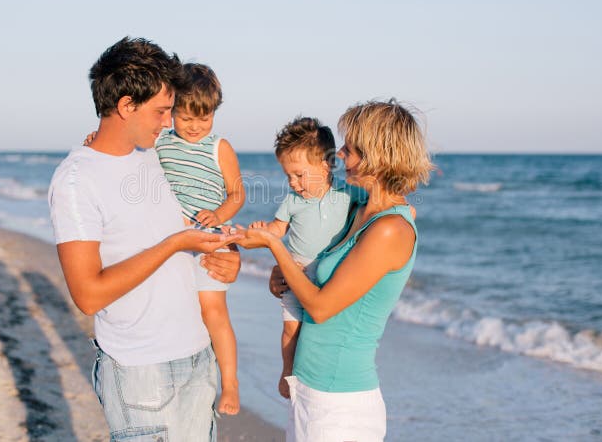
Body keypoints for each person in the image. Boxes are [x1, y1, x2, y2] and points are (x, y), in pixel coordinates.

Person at [48, 37, 241, 441]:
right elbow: (88, 294)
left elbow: (190, 223)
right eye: (161, 111)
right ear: (125, 106)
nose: (169, 123)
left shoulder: (155, 156)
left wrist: (224, 258)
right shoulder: (76, 180)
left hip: (197, 357)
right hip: (141, 372)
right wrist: (176, 244)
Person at [237, 99, 434, 441]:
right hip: (311, 390)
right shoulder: (358, 210)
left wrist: (274, 247)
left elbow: (321, 306)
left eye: (350, 147)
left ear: (376, 155)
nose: (339, 154)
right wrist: (283, 274)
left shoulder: (389, 229)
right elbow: (315, 262)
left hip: (339, 405)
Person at [248, 117, 362, 400]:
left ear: (326, 165)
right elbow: (278, 229)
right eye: (288, 176)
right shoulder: (292, 201)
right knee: (291, 329)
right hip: (294, 272)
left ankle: (316, 374)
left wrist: (405, 208)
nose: (293, 183)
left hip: (329, 276)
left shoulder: (349, 194)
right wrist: (262, 232)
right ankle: (288, 373)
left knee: (318, 331)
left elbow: (380, 206)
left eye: (299, 175)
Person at [154, 62, 245, 415]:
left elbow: (237, 194)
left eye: (203, 118)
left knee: (213, 311)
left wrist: (219, 216)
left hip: (209, 240)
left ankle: (231, 383)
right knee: (172, 308)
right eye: (186, 118)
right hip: (173, 240)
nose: (194, 127)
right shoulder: (161, 139)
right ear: (172, 110)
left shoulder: (218, 147)